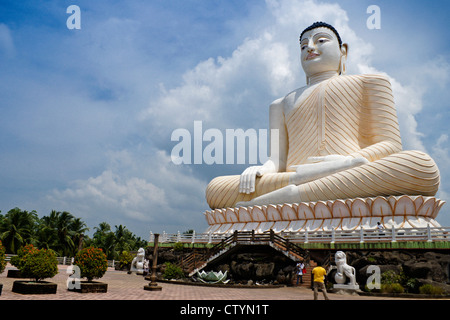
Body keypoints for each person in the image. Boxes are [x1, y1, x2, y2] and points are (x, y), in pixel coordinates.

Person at [205, 21, 440, 210]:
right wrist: (261, 170)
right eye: (303, 45)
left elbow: (390, 145)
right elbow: (278, 161)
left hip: (352, 170)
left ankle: (276, 202)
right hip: (296, 178)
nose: (310, 47)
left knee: (421, 166)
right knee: (215, 188)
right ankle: (285, 196)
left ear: (342, 51)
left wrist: (347, 162)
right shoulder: (281, 103)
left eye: (320, 41)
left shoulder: (370, 82)